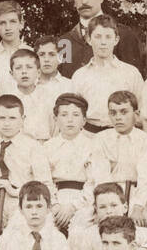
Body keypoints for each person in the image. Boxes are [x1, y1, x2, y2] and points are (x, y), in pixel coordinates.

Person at [0, 94, 53, 236]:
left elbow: (43, 184)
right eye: (2, 118)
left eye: (12, 118)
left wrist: (14, 191)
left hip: (24, 204)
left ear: (23, 120)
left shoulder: (33, 147)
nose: (7, 123)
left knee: (12, 235)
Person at [58, 0, 146, 77]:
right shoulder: (65, 42)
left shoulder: (124, 34)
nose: (84, 1)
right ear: (74, 0)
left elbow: (134, 80)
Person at [42, 93, 108, 233]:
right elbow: (44, 180)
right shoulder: (47, 147)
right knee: (44, 226)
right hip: (54, 200)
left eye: (76, 115)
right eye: (64, 115)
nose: (70, 120)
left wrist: (73, 206)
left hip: (84, 201)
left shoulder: (94, 146)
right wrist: (55, 206)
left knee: (80, 227)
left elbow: (95, 181)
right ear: (55, 119)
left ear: (84, 120)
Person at [69, 14, 144, 132]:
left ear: (116, 40)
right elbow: (74, 112)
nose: (103, 42)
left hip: (122, 134)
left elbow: (141, 110)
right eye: (98, 37)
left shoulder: (131, 73)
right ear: (89, 39)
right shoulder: (80, 75)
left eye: (108, 37)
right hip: (90, 135)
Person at [94, 90, 147, 226]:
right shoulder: (101, 139)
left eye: (124, 112)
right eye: (113, 113)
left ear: (136, 114)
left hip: (137, 194)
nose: (118, 117)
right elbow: (100, 176)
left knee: (136, 227)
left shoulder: (144, 140)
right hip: (108, 194)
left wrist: (138, 207)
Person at [9, 48, 58, 141]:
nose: (24, 71)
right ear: (12, 74)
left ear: (38, 72)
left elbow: (54, 129)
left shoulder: (48, 98)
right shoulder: (7, 99)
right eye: (18, 68)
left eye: (29, 67)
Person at [0, 0, 27, 98]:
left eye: (12, 21)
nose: (8, 27)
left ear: (21, 23)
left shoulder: (33, 53)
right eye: (2, 23)